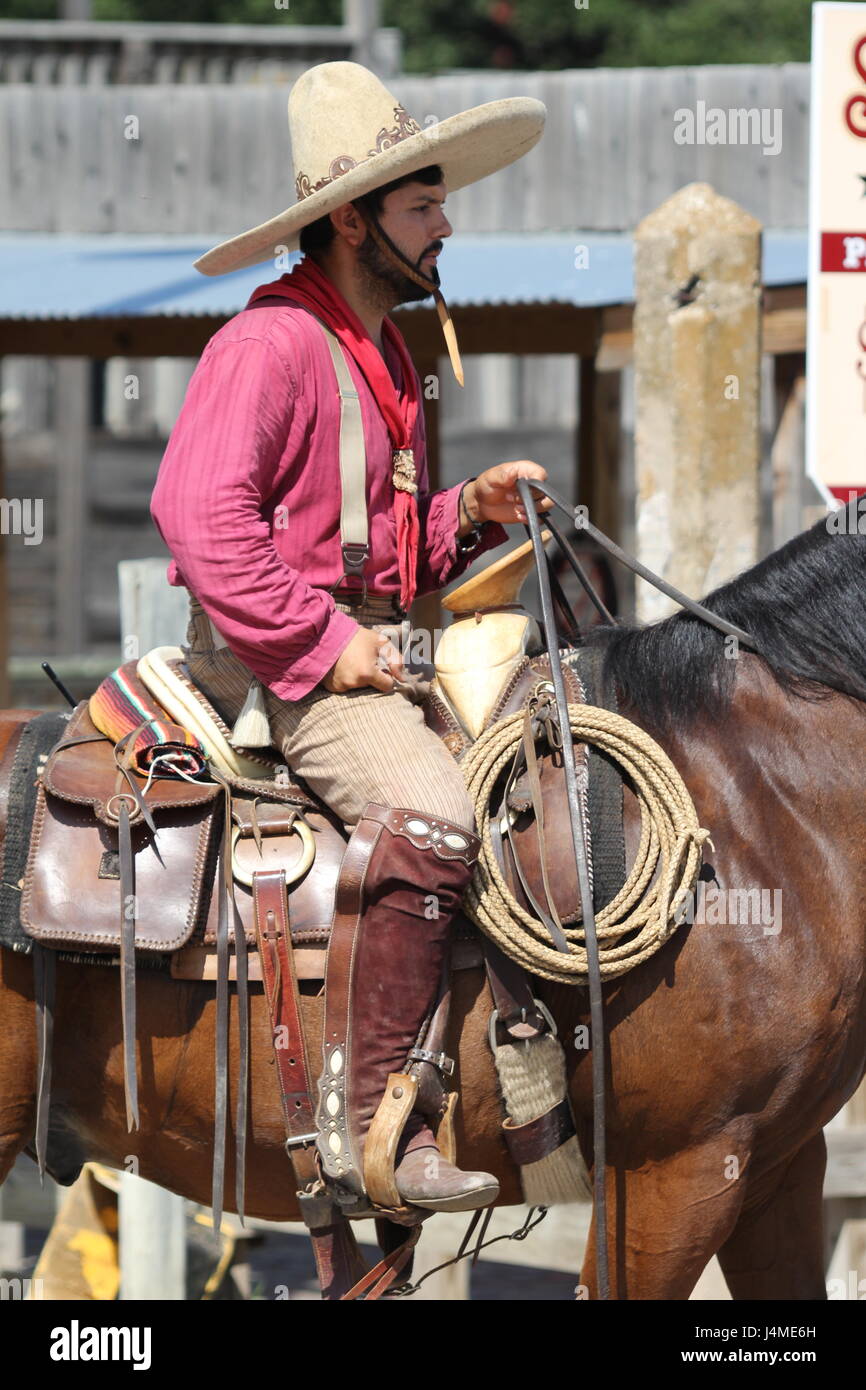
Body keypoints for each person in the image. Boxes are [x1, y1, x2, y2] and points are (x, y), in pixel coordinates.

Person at [150, 61, 552, 1213]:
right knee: (437, 815)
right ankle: (377, 1127)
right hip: (279, 670)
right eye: (422, 204)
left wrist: (461, 515)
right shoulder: (269, 345)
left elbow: (372, 552)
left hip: (364, 653)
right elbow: (199, 516)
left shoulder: (381, 352)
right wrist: (329, 648)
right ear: (350, 217)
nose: (444, 223)